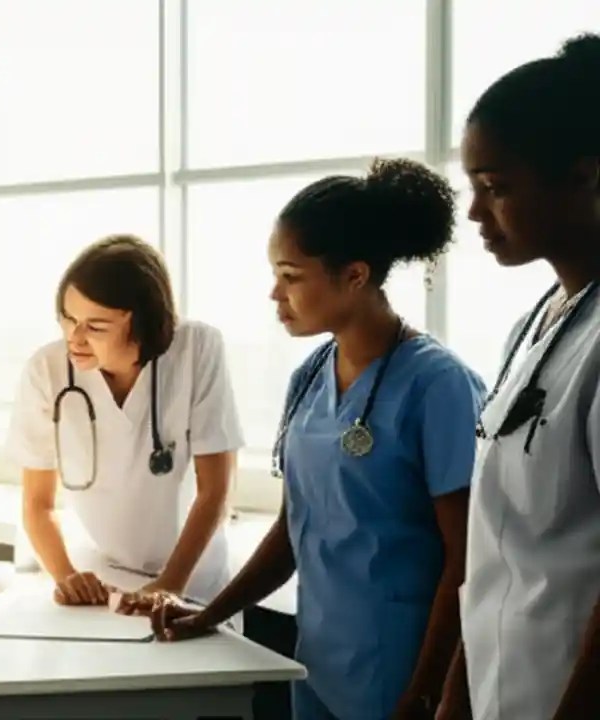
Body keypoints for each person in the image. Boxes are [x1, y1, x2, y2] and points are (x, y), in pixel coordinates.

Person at [145, 158, 487, 720]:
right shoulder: (309, 376)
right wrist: (207, 613)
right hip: (320, 664)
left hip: (401, 669)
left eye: (291, 276)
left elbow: (468, 559)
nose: (274, 294)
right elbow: (293, 529)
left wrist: (429, 689)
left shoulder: (438, 385)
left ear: (354, 276)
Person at [436, 33, 600, 720]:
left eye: (496, 188)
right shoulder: (535, 325)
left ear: (586, 177)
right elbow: (496, 550)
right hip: (501, 690)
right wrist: (452, 696)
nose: (474, 213)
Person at [5, 235, 245, 607]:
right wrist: (67, 576)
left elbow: (215, 491)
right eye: (68, 319)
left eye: (96, 327)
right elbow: (37, 504)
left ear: (145, 324)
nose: (75, 338)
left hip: (192, 579)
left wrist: (170, 584)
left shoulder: (197, 350)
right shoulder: (46, 370)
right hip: (102, 576)